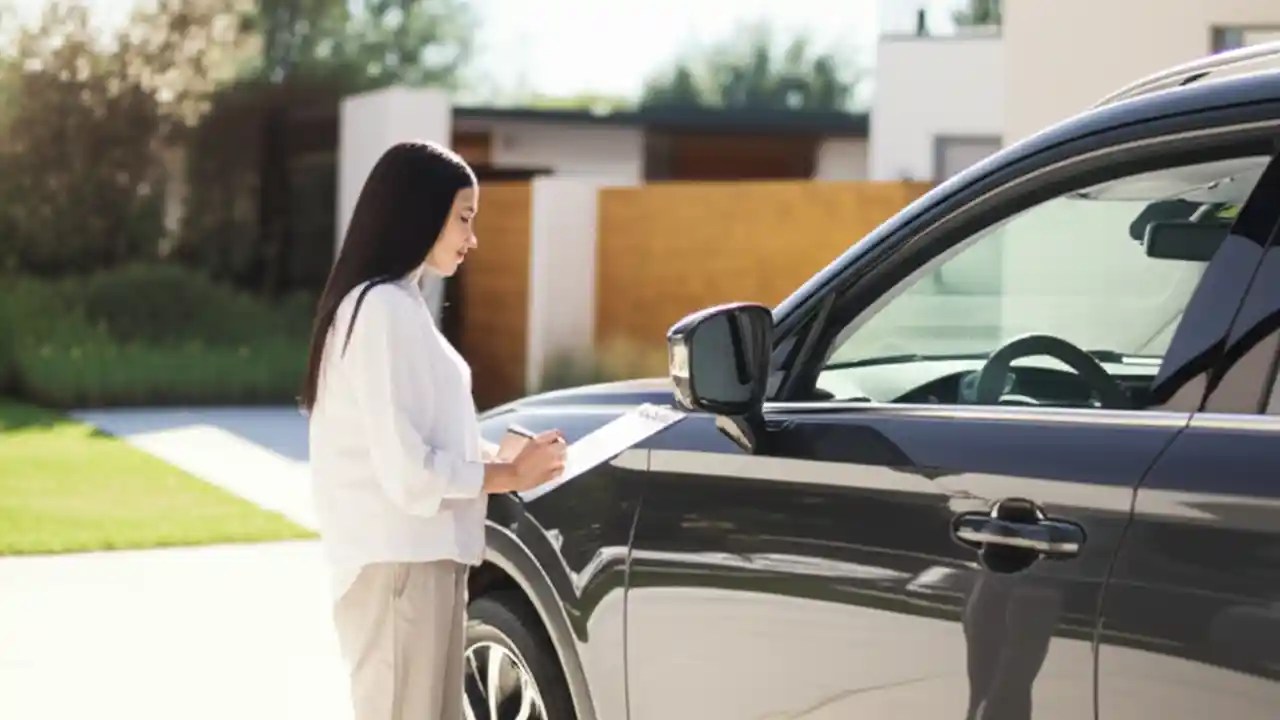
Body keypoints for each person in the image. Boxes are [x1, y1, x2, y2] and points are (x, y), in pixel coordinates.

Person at [300, 140, 566, 720]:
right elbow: (407, 471)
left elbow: (422, 442)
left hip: (421, 564)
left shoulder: (397, 304)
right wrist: (506, 473)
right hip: (401, 568)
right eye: (464, 218)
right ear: (419, 213)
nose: (473, 238)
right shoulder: (381, 309)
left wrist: (502, 458)